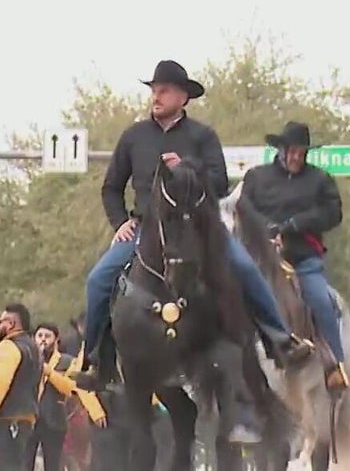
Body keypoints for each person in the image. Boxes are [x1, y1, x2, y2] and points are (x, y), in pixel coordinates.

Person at [73, 60, 314, 390]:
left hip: (202, 231)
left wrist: (187, 166)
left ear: (183, 97)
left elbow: (218, 183)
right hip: (148, 231)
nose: (156, 96)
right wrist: (119, 223)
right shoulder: (133, 137)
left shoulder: (202, 136)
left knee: (245, 267)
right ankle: (96, 360)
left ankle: (280, 340)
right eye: (154, 90)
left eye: (164, 90)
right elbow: (111, 187)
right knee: (98, 279)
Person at [241, 121, 348, 390]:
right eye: (291, 151)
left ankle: (334, 366)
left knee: (321, 301)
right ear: (280, 150)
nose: (295, 157)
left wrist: (295, 225)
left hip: (302, 258)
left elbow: (332, 213)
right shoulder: (256, 178)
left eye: (301, 152)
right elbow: (243, 209)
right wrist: (266, 229)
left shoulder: (320, 180)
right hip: (259, 259)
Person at [26, 323, 105, 471]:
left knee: (54, 465)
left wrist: (49, 372)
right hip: (29, 420)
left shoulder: (67, 361)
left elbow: (71, 388)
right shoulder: (28, 361)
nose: (43, 340)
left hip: (54, 421)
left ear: (56, 340)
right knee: (25, 464)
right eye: (40, 336)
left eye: (47, 336)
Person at [0, 303, 41, 470]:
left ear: (11, 323)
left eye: (1, 321)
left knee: (5, 465)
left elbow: (1, 381)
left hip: (6, 418)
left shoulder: (8, 345)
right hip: (27, 416)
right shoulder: (33, 347)